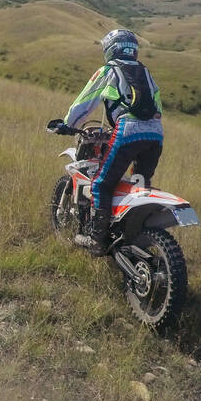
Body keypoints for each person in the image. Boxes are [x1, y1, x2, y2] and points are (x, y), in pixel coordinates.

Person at [53, 29, 162, 256]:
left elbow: (85, 103)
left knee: (102, 184)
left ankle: (96, 240)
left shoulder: (108, 70)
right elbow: (156, 107)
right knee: (139, 184)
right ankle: (135, 234)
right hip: (155, 135)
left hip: (128, 133)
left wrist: (67, 124)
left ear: (111, 48)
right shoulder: (145, 71)